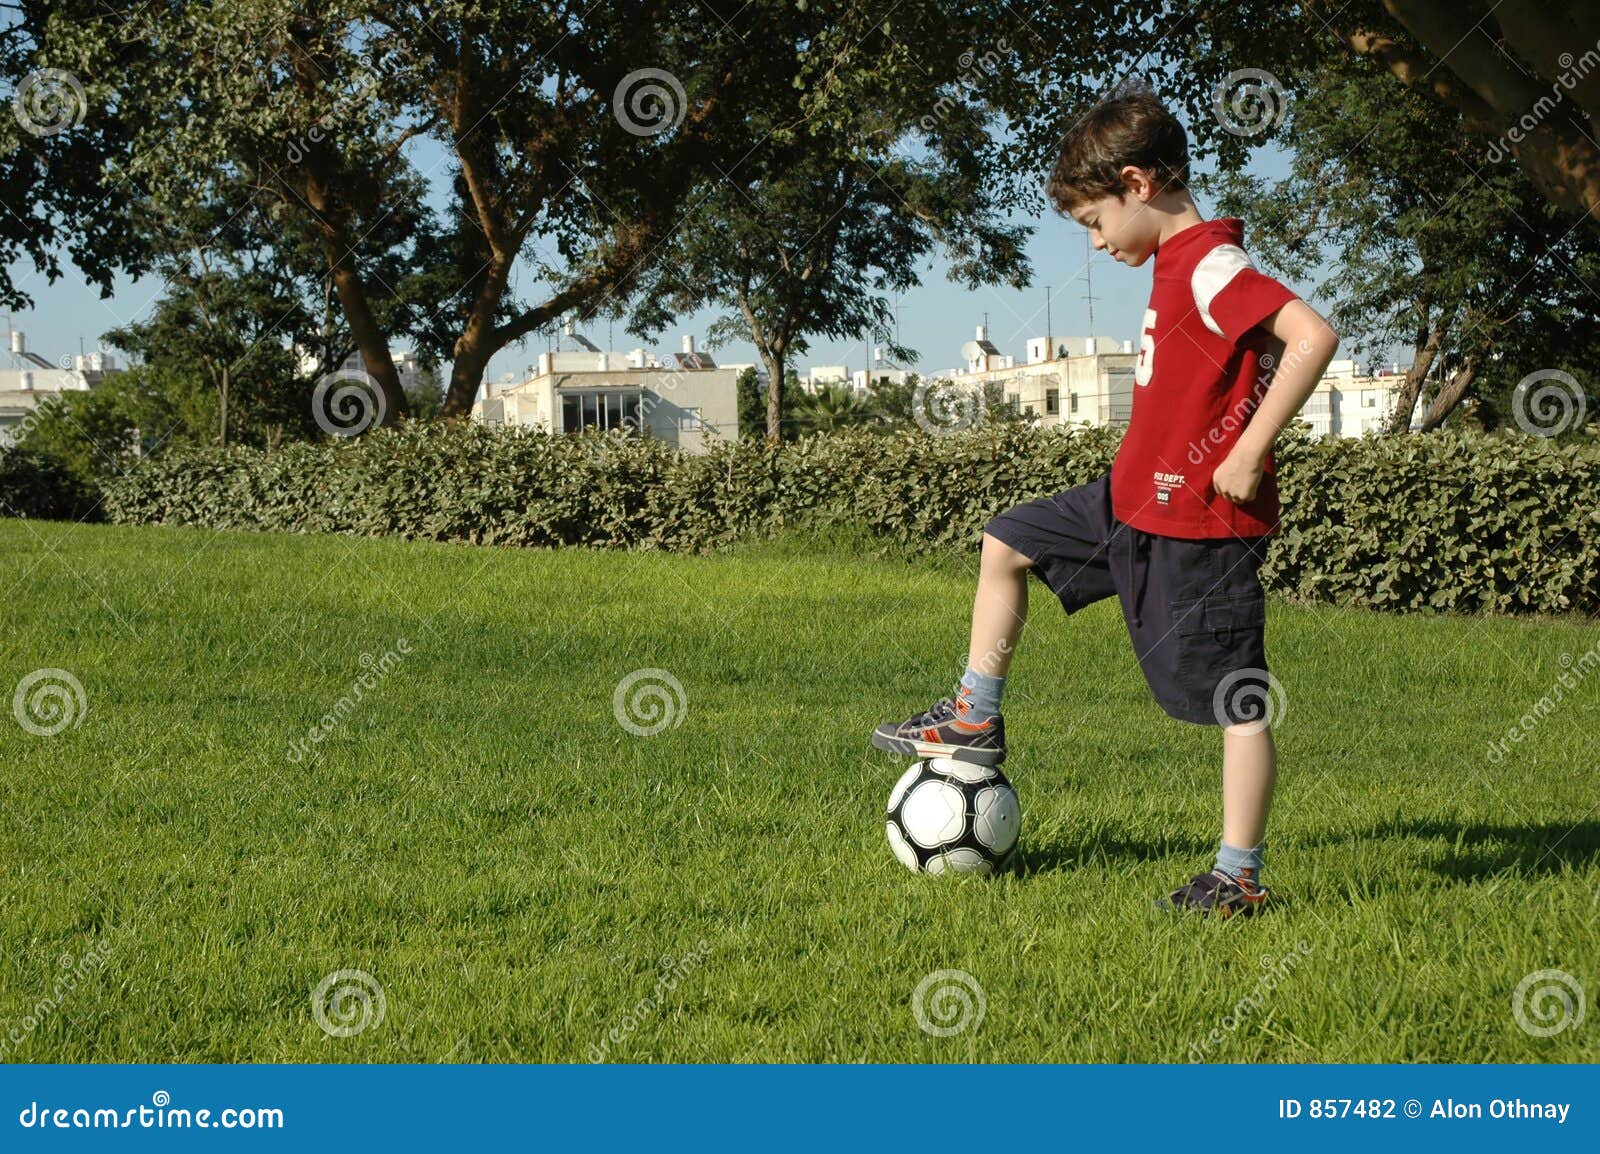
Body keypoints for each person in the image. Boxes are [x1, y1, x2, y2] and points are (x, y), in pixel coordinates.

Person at [871, 87, 1339, 918]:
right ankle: (975, 718)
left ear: (1137, 184)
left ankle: (1237, 878)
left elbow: (1313, 336)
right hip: (1128, 503)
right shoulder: (1175, 260)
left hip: (1198, 526)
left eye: (1094, 221)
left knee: (1238, 704)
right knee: (1006, 542)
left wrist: (1247, 450)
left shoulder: (1212, 264)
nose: (1095, 241)